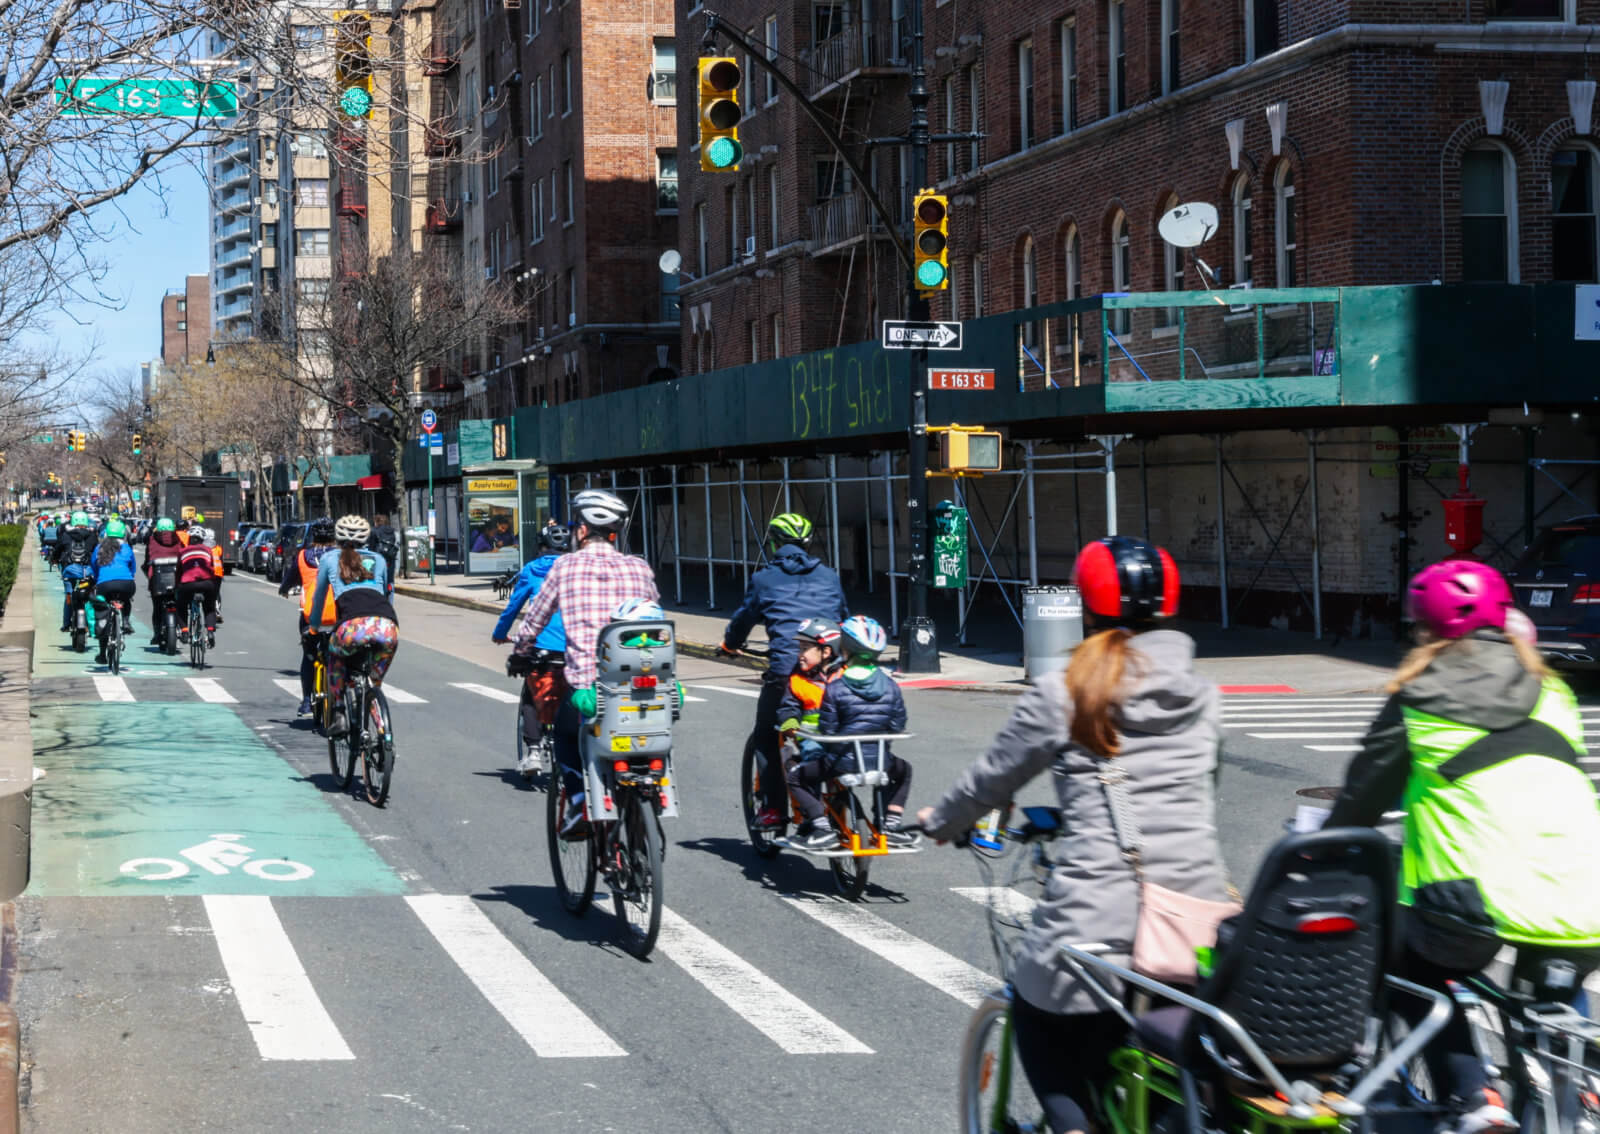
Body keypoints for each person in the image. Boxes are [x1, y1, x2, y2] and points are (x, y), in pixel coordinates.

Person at [915, 536, 1230, 1134]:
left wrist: (942, 820)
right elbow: (1192, 790)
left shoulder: (1066, 694)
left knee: (1039, 1024)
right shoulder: (1204, 696)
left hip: (1097, 927)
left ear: (1087, 607)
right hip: (1193, 924)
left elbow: (991, 779)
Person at [1326, 558, 1600, 1134]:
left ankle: (1475, 1095)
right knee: (1547, 998)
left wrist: (1323, 843)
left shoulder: (1418, 695)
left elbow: (1359, 803)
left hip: (1471, 913)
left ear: (1422, 629)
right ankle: (1578, 1092)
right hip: (1588, 899)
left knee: (1395, 957)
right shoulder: (1554, 692)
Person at [514, 489, 659, 837]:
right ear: (615, 532)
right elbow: (655, 615)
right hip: (645, 685)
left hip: (591, 687)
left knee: (565, 735)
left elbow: (535, 619)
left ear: (581, 531)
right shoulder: (639, 567)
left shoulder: (565, 566)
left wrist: (521, 650)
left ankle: (580, 801)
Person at [721, 513, 849, 828]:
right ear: (807, 544)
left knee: (766, 735)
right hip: (831, 667)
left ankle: (775, 810)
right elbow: (843, 615)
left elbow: (744, 618)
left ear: (773, 543)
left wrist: (730, 643)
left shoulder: (764, 579)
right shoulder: (830, 576)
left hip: (786, 669)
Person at [788, 615, 917, 850]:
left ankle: (821, 826)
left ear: (844, 649)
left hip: (841, 762)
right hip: (880, 760)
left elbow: (828, 728)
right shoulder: (891, 686)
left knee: (796, 777)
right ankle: (891, 823)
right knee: (904, 771)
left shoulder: (836, 688)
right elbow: (897, 725)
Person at [309, 515, 398, 738]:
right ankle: (382, 732)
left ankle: (339, 712)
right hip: (387, 626)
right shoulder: (378, 559)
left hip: (351, 627)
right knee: (373, 683)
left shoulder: (330, 559)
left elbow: (319, 598)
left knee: (336, 660)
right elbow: (388, 594)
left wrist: (313, 627)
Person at [494, 522, 571, 774]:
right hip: (576, 647)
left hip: (543, 646)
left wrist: (500, 634)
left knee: (531, 693)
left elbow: (513, 606)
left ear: (541, 547)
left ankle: (534, 751)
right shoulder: (578, 570)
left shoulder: (533, 570)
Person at [279, 517, 338, 716]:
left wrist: (284, 589)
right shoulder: (341, 556)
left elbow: (291, 577)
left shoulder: (304, 556)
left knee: (308, 655)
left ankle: (306, 701)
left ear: (313, 536)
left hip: (311, 614)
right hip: (337, 613)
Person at [90, 519, 138, 664]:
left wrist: (98, 580)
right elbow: (133, 568)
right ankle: (125, 621)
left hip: (104, 585)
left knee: (102, 614)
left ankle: (102, 654)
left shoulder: (99, 548)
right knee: (126, 600)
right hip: (126, 584)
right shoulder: (127, 548)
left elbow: (94, 566)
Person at [52, 511, 98, 632]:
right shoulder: (92, 535)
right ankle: (91, 625)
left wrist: (54, 559)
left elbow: (58, 549)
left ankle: (66, 623)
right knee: (89, 596)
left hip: (70, 570)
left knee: (69, 595)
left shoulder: (66, 535)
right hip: (87, 571)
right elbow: (97, 552)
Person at [175, 527, 219, 647]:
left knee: (180, 606)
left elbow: (178, 571)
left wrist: (177, 584)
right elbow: (212, 568)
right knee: (209, 607)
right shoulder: (208, 550)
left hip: (188, 584)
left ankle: (184, 631)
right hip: (206, 583)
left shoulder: (183, 551)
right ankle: (210, 631)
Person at [142, 517, 184, 644]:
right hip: (176, 579)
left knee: (157, 607)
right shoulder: (178, 539)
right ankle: (182, 628)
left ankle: (157, 632)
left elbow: (147, 558)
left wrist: (147, 569)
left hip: (157, 579)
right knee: (179, 604)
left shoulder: (152, 539)